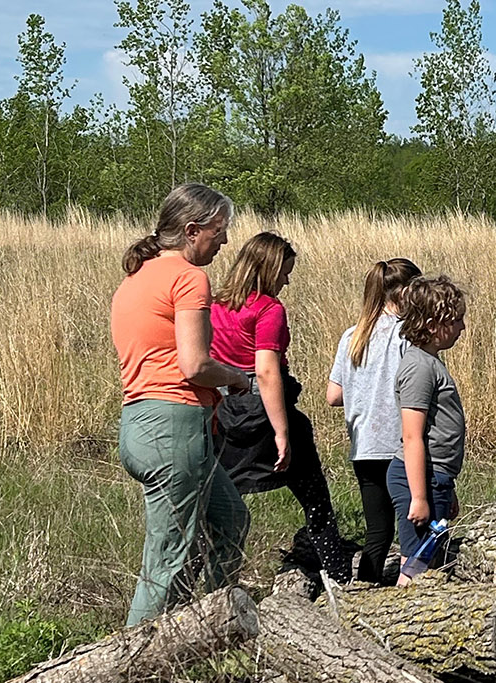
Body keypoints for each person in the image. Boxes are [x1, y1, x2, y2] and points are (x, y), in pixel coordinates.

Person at [110, 184, 252, 627]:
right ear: (192, 231)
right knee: (168, 556)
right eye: (219, 230)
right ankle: (133, 667)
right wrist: (235, 378)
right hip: (173, 428)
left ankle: (208, 626)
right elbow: (194, 366)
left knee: (230, 520)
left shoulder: (136, 277)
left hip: (140, 425)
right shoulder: (189, 277)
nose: (225, 241)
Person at [211, 232, 349, 584]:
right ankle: (338, 573)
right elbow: (267, 371)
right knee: (315, 498)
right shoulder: (269, 310)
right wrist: (282, 431)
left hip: (226, 410)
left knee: (221, 502)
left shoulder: (215, 306)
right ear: (269, 269)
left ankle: (214, 581)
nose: (287, 280)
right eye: (285, 272)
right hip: (264, 408)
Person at [327, 257, 422, 584]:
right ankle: (412, 591)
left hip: (364, 445)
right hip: (399, 444)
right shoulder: (406, 337)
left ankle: (363, 590)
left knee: (377, 531)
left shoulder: (351, 337)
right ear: (405, 294)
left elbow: (333, 395)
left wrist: (362, 390)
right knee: (411, 523)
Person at [388, 275, 469, 583]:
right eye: (457, 320)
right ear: (434, 325)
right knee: (416, 565)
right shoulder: (419, 367)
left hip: (435, 479)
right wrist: (420, 497)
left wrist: (447, 489)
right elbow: (412, 436)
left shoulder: (431, 362)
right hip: (418, 480)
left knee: (432, 557)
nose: (462, 327)